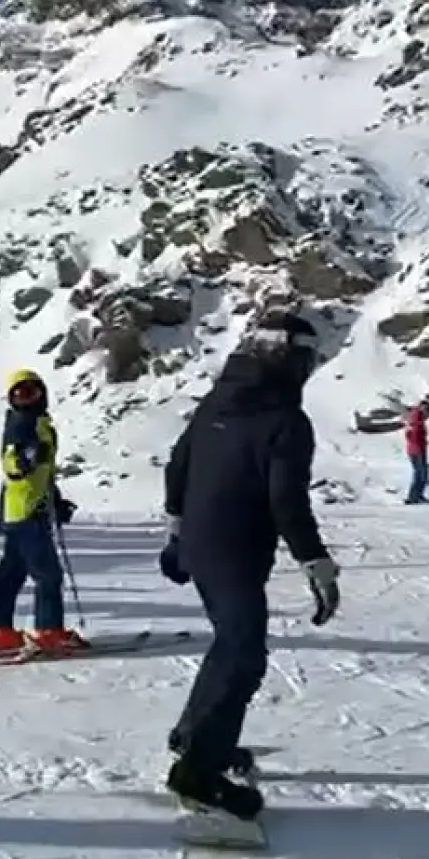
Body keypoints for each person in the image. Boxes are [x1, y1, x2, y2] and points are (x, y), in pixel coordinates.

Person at [158, 311, 339, 824]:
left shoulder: (218, 399)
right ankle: (199, 773)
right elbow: (286, 500)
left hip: (202, 543)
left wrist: (177, 535)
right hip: (235, 551)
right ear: (291, 359)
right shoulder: (285, 420)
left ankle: (195, 736)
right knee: (244, 655)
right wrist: (316, 562)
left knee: (228, 641)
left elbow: (179, 464)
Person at [0, 370, 85, 659]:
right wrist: (25, 461)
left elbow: (44, 473)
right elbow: (11, 460)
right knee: (48, 574)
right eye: (20, 394)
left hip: (21, 509)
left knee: (11, 572)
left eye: (31, 393)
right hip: (27, 512)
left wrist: (56, 500)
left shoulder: (37, 423)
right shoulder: (22, 424)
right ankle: (49, 631)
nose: (26, 400)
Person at [403, 397, 429, 504]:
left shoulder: (416, 418)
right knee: (420, 473)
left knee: (421, 473)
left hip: (417, 449)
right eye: (428, 412)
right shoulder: (416, 419)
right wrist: (418, 448)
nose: (428, 416)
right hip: (417, 450)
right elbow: (414, 436)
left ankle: (417, 495)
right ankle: (413, 497)